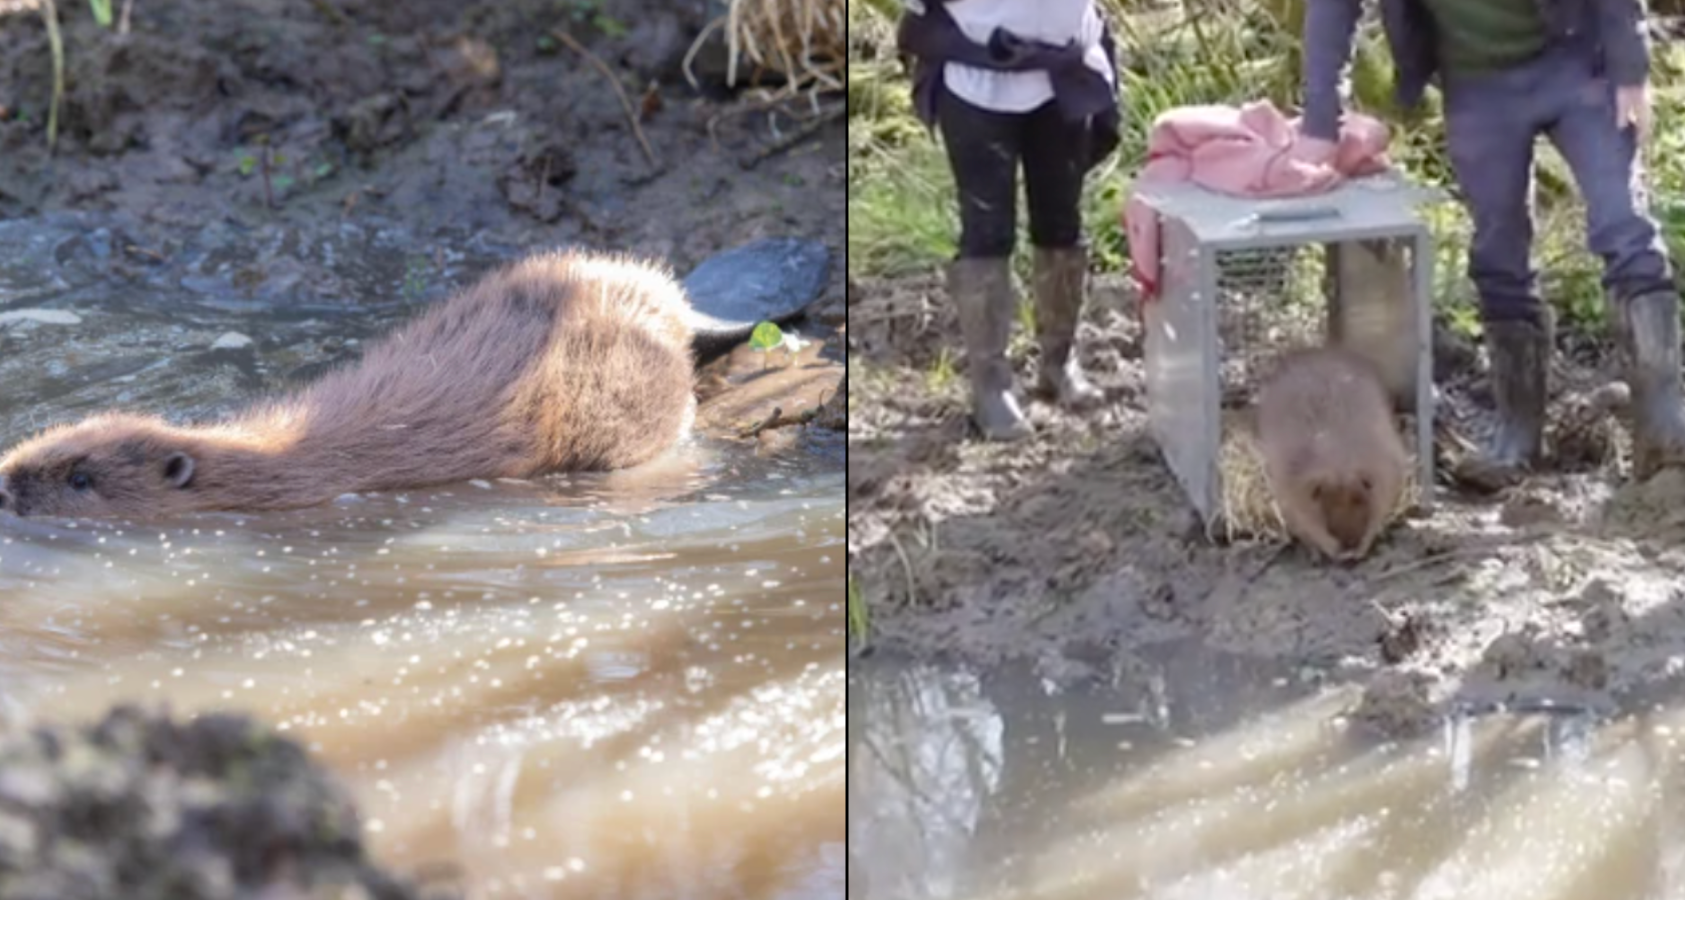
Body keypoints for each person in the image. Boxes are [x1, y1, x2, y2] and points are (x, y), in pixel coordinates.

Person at [1299, 0, 1685, 482]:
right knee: (1498, 251)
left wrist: (1630, 67)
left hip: (1576, 63)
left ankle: (1665, 427)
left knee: (1623, 225)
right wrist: (1319, 122)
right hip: (1477, 84)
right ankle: (1518, 436)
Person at [896, 1, 1122, 441]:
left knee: (1062, 223)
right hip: (978, 81)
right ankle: (991, 386)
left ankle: (1059, 362)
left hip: (1064, 74)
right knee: (987, 232)